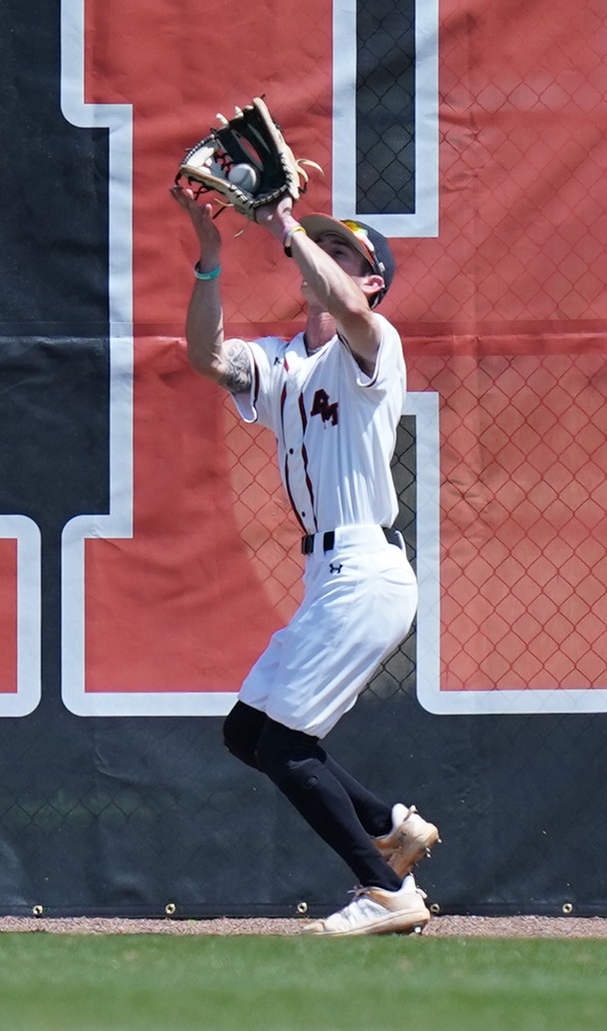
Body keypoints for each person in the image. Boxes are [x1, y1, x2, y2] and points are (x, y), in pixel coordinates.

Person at [172, 177, 441, 936]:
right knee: (248, 737)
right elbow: (204, 356)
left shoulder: (374, 346)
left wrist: (285, 223)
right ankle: (392, 824)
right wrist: (210, 259)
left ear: (371, 280)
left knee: (289, 749)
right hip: (328, 575)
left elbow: (351, 311)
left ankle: (386, 889)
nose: (322, 255)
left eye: (341, 252)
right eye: (319, 245)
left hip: (366, 565)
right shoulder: (284, 359)